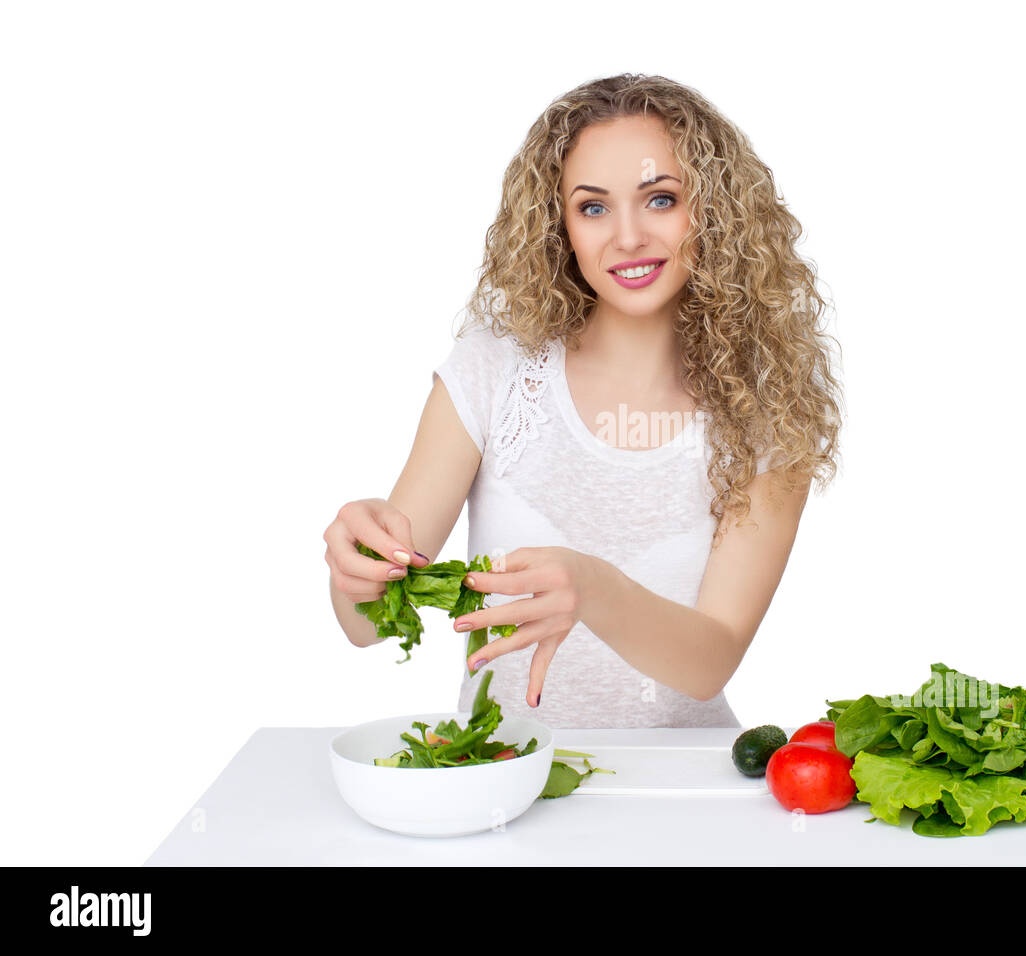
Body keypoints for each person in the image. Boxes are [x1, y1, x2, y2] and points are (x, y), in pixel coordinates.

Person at [323, 73, 843, 728]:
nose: (627, 237)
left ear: (713, 210)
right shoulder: (491, 373)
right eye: (593, 207)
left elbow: (711, 662)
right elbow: (366, 627)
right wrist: (358, 568)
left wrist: (593, 589)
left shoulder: (770, 409)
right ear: (559, 225)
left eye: (660, 199)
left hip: (684, 797)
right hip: (506, 784)